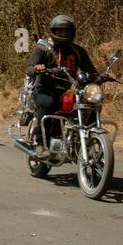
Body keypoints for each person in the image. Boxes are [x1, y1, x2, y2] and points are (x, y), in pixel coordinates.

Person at [24, 14, 97, 155]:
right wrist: (36, 68)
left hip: (70, 90)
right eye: (60, 31)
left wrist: (101, 76)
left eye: (67, 31)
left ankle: (88, 140)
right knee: (48, 104)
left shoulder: (78, 51)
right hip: (46, 89)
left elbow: (91, 71)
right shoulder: (43, 48)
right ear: (53, 31)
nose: (63, 34)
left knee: (91, 105)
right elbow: (29, 68)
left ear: (73, 32)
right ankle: (40, 143)